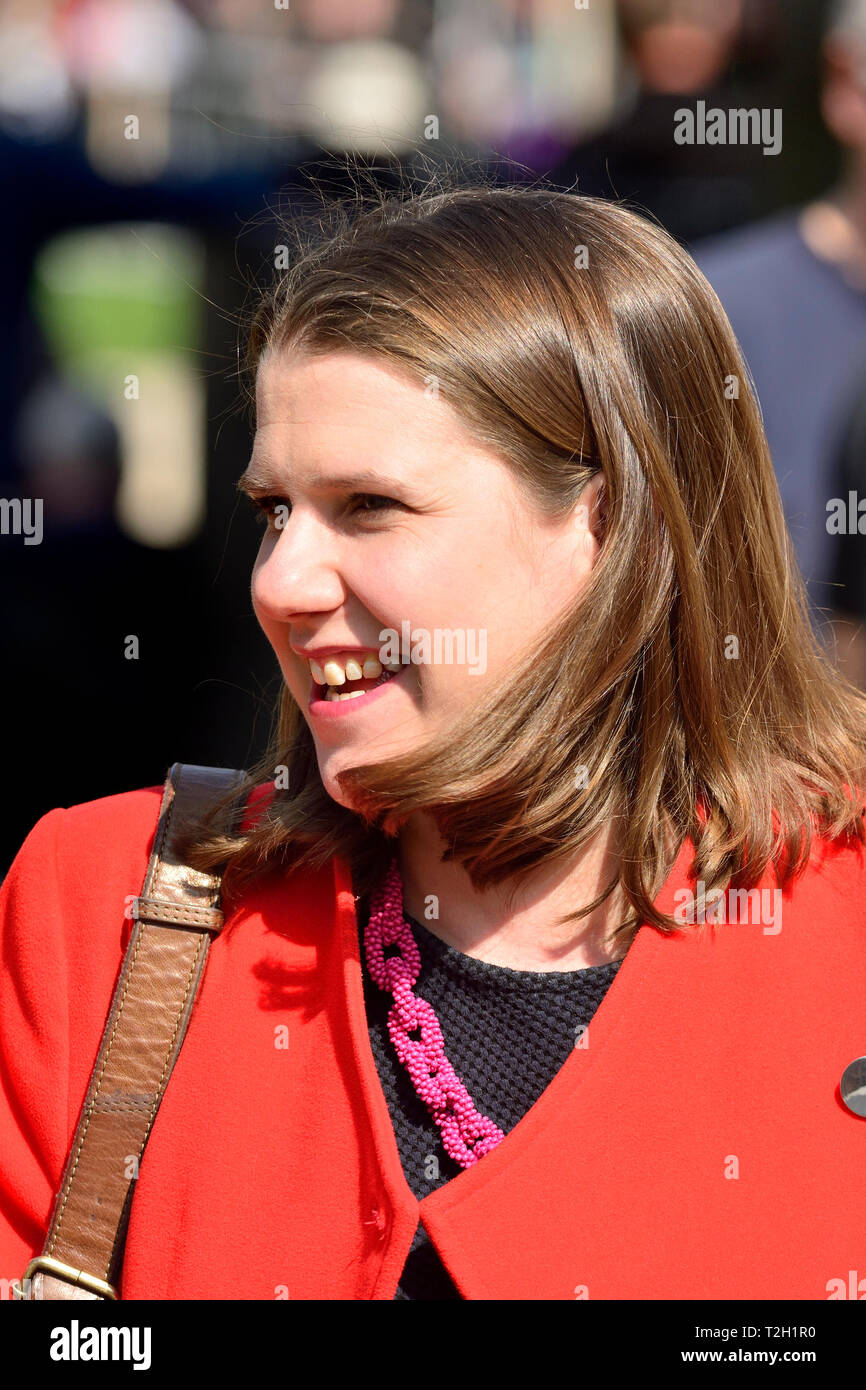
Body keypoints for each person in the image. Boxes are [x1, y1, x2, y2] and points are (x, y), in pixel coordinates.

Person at [2, 173, 866, 1302]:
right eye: (273, 511)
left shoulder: (836, 934)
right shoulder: (110, 910)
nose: (283, 580)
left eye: (370, 507)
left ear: (610, 524)